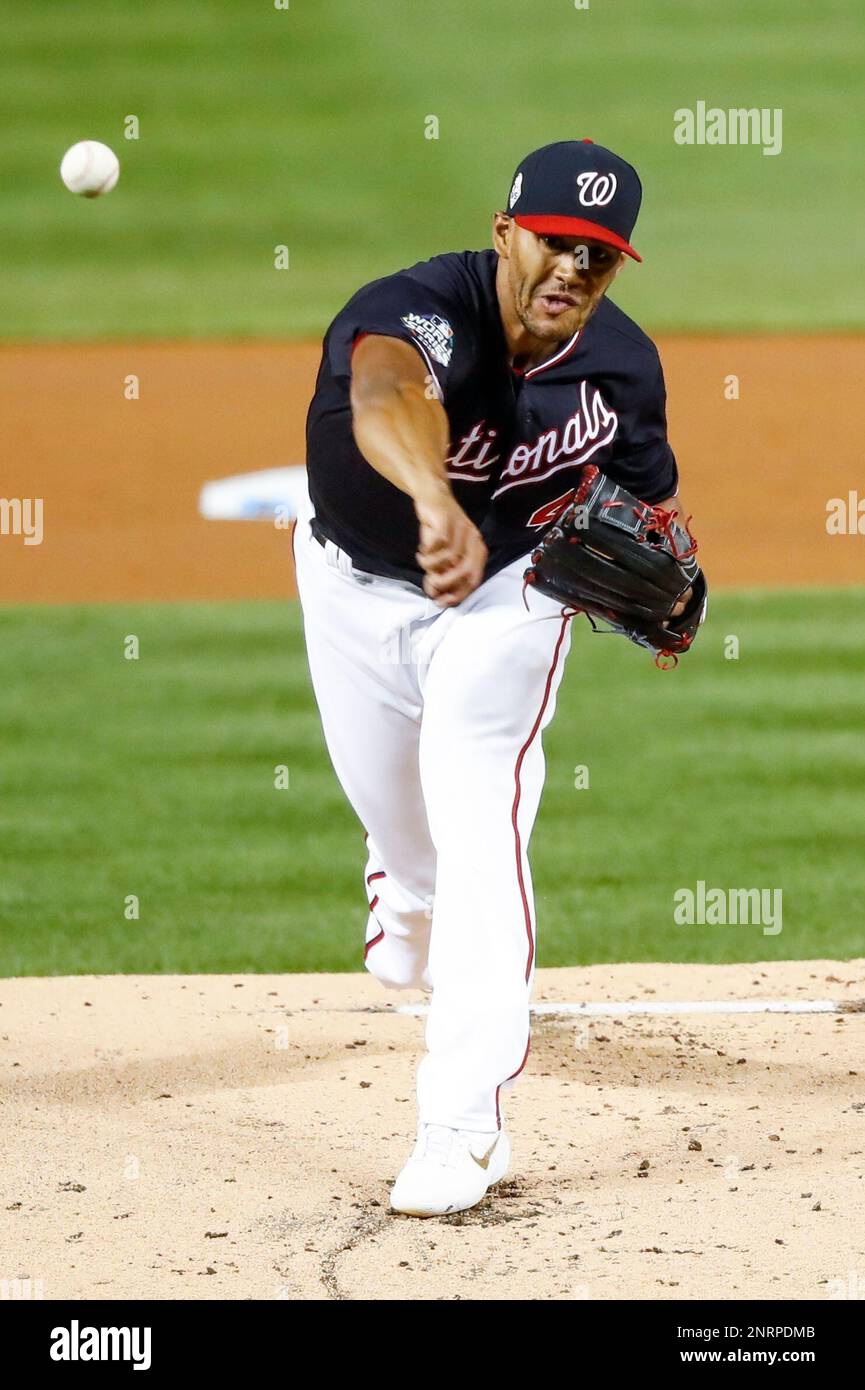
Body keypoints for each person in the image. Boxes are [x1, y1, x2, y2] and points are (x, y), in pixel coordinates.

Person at [294, 140, 693, 1217]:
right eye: (556, 243)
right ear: (505, 230)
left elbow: (649, 497)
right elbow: (384, 393)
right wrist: (435, 502)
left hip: (510, 595)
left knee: (482, 822)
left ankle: (463, 1127)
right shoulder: (420, 306)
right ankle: (404, 889)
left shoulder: (621, 366)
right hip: (356, 586)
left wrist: (664, 564)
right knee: (403, 826)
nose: (572, 269)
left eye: (599, 258)